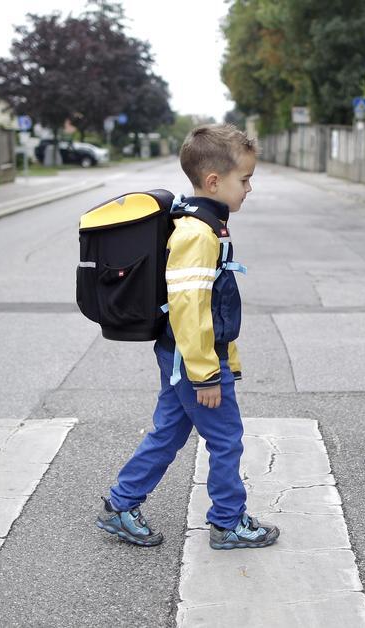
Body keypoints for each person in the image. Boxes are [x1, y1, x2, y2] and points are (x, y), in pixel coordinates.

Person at [96, 124, 279, 550]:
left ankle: (121, 504)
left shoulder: (206, 224)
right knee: (226, 439)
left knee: (169, 432)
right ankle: (228, 522)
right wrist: (206, 373)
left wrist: (223, 357)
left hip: (186, 356)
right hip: (191, 360)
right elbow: (189, 308)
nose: (250, 188)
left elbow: (215, 303)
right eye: (245, 179)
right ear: (214, 181)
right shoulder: (198, 233)